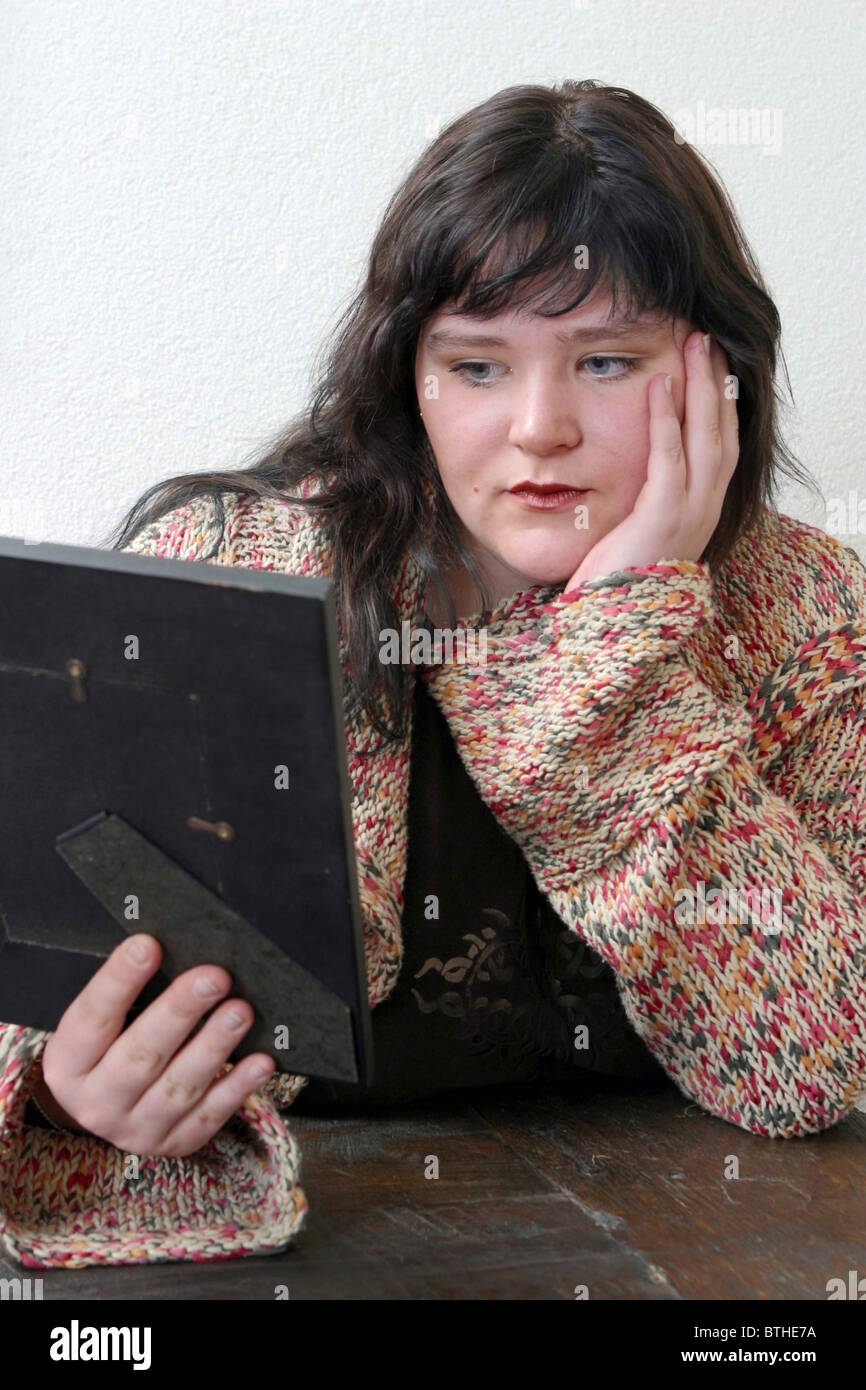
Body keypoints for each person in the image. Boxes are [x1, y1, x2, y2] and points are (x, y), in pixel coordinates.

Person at [3, 79, 866, 1269]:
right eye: (474, 367)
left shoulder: (799, 611)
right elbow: (37, 970)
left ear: (716, 378)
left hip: (685, 1248)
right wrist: (59, 1095)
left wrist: (614, 663)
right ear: (405, 376)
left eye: (605, 362)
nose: (536, 427)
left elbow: (804, 1063)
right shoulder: (231, 573)